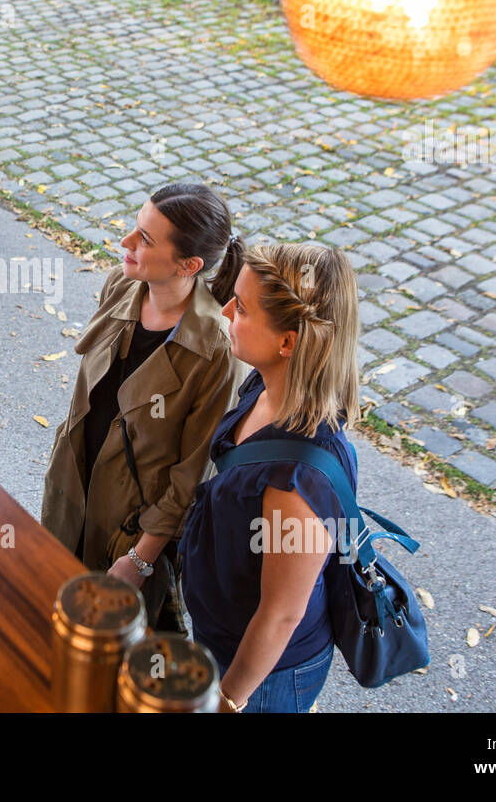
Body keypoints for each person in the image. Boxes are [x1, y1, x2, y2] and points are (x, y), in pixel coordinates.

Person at [42, 184, 251, 630]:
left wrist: (139, 560)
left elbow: (191, 475)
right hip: (70, 495)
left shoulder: (215, 349)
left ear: (189, 265)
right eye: (135, 229)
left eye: (146, 240)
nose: (126, 244)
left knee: (109, 657)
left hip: (129, 532)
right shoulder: (122, 284)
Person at [179, 242, 361, 713]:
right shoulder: (264, 381)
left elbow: (281, 614)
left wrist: (228, 698)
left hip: (260, 677)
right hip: (222, 632)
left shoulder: (297, 481)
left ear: (288, 343)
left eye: (240, 307)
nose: (224, 311)